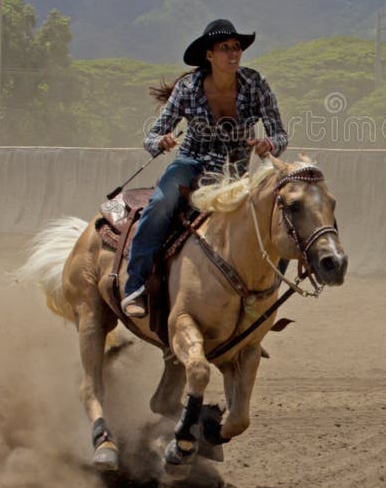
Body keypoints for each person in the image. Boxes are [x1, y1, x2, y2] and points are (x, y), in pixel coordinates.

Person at [121, 19, 288, 317]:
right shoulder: (188, 88)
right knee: (160, 203)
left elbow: (279, 134)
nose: (233, 53)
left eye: (236, 47)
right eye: (224, 48)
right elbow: (152, 136)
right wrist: (164, 141)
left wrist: (269, 146)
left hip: (237, 171)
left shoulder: (255, 84)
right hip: (191, 164)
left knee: (281, 211)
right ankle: (136, 286)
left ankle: (265, 297)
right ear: (209, 55)